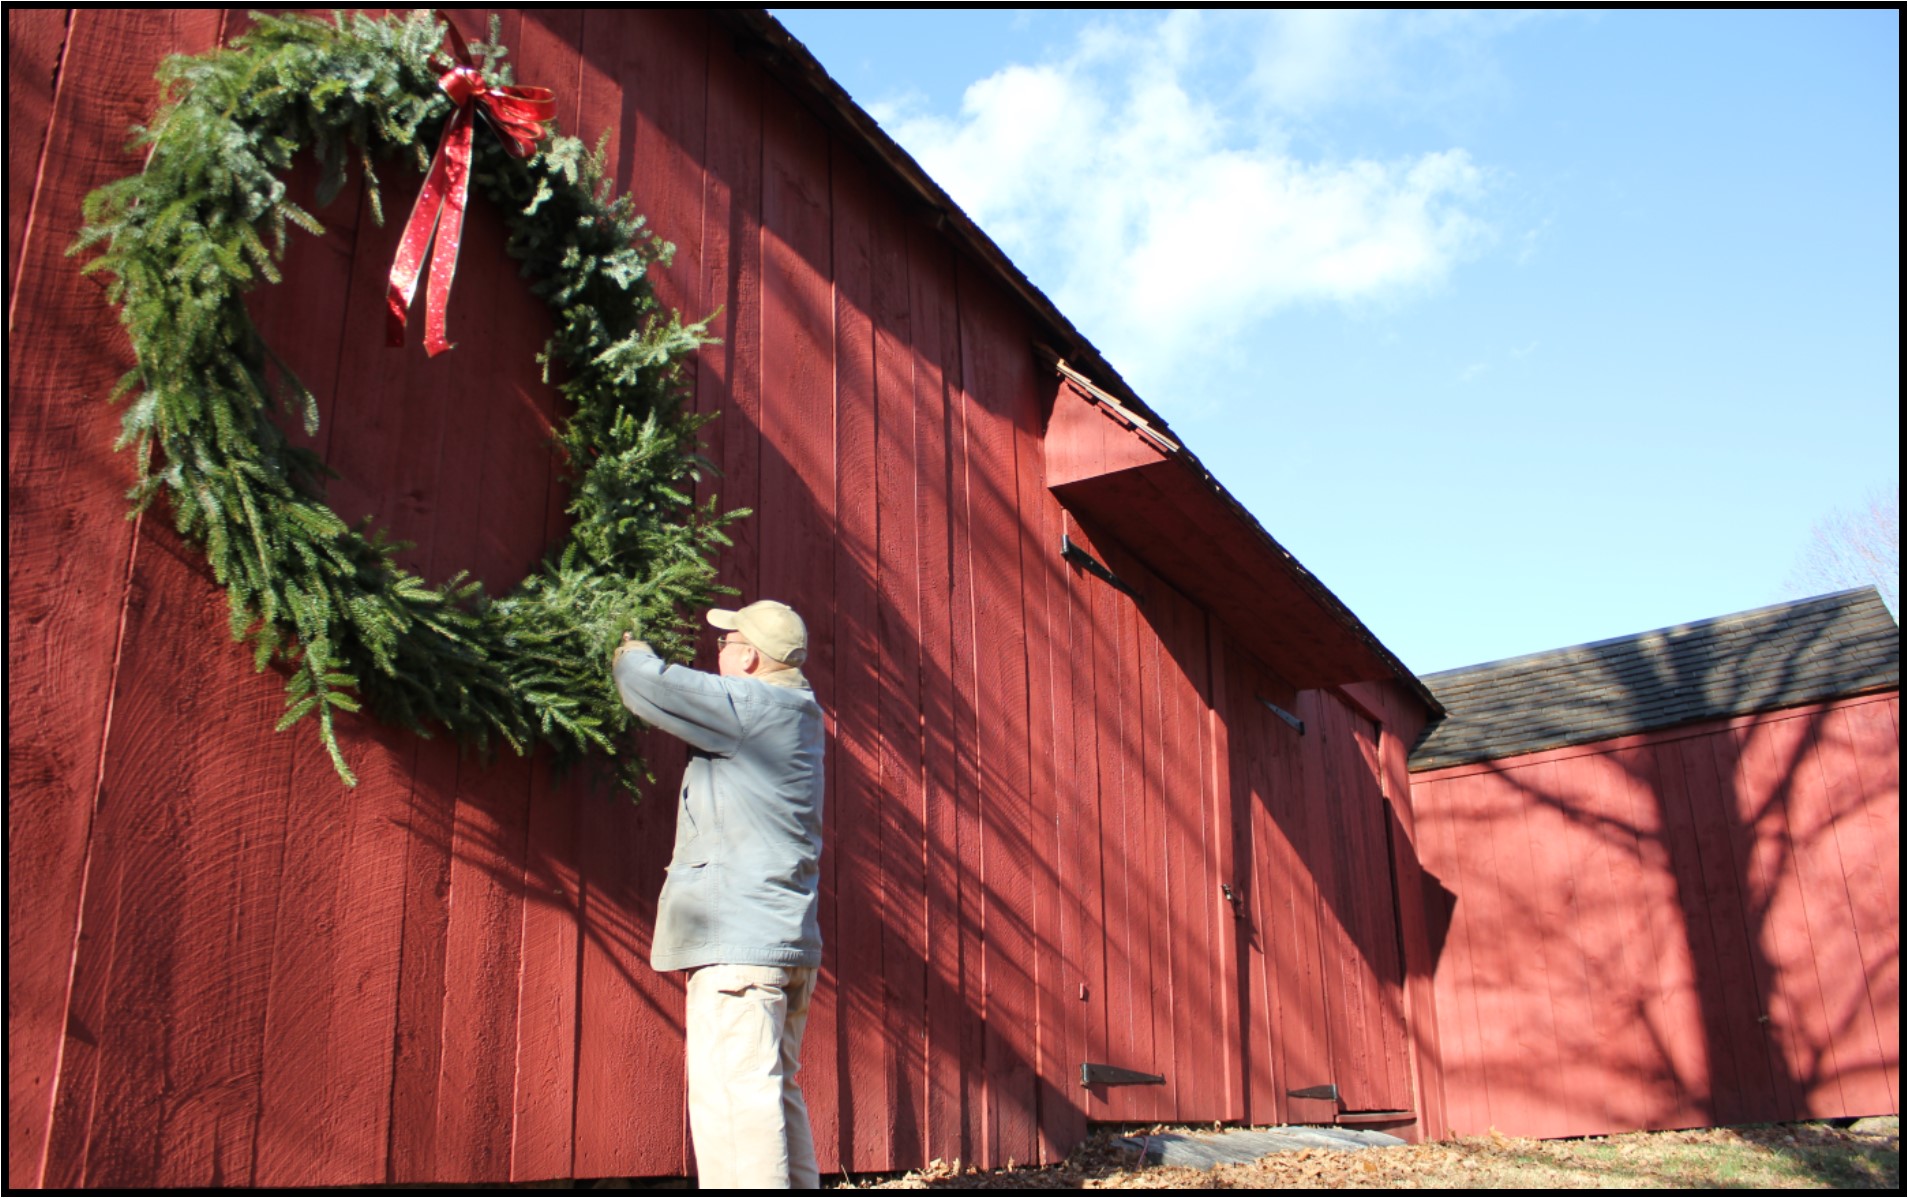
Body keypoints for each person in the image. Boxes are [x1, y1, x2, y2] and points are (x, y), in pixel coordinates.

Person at [610, 600, 825, 1191]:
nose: (717, 649)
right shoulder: (799, 711)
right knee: (771, 1095)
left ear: (751, 657)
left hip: (741, 951)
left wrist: (627, 642)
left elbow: (642, 682)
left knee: (737, 1105)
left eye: (726, 641)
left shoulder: (753, 705)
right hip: (781, 945)